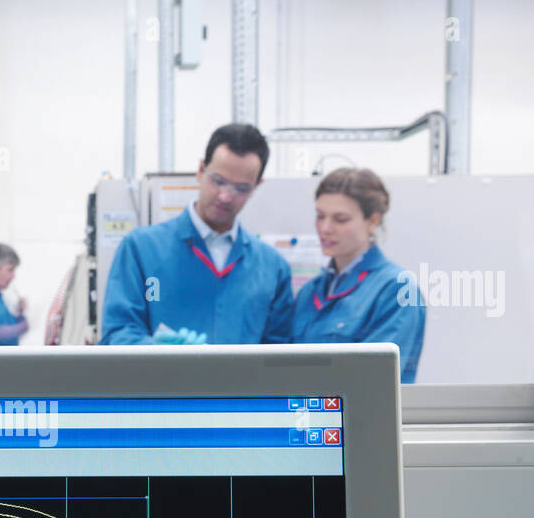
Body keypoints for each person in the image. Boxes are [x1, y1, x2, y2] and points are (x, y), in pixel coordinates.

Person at [99, 123, 293, 345]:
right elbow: (116, 334)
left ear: (257, 186)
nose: (225, 196)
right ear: (201, 170)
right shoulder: (142, 250)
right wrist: (154, 350)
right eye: (218, 181)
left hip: (240, 382)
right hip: (162, 379)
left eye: (241, 188)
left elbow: (278, 359)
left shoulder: (271, 269)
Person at [292, 168, 425, 382]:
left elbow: (373, 380)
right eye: (320, 216)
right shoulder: (309, 293)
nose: (325, 228)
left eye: (340, 219)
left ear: (372, 221)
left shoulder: (397, 290)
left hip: (362, 415)